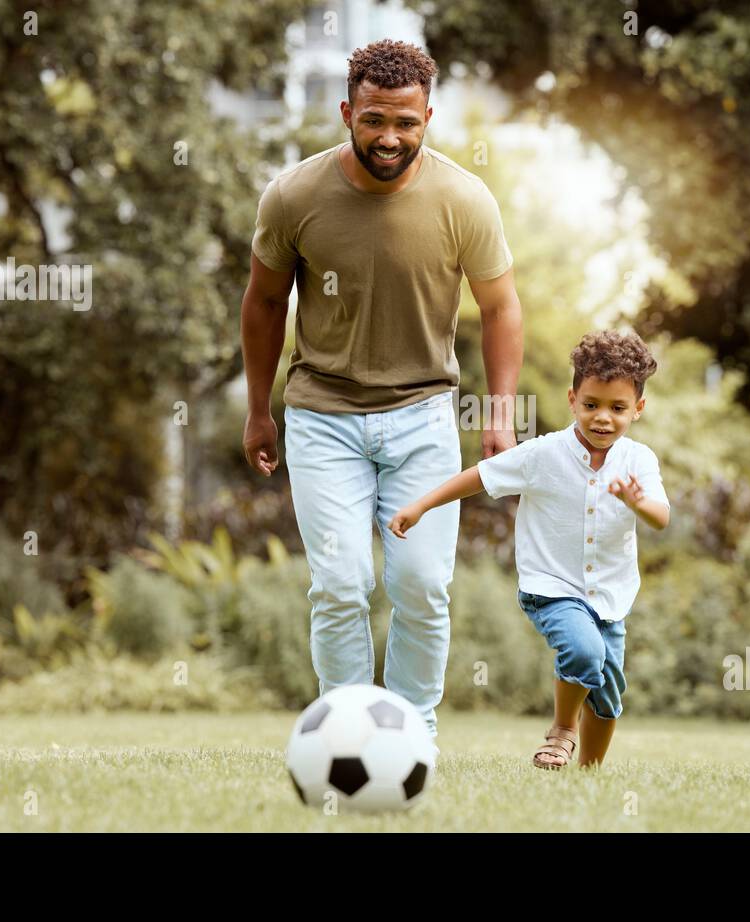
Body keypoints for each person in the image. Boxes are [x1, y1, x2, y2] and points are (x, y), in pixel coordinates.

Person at [238, 39, 523, 740]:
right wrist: (257, 410)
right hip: (321, 416)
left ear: (429, 115)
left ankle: (413, 734)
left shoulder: (464, 199)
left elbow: (501, 307)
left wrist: (500, 411)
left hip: (422, 418)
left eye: (405, 122)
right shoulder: (294, 196)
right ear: (346, 112)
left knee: (423, 587)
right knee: (339, 586)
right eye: (373, 121)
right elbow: (263, 302)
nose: (389, 138)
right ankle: (344, 729)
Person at [389, 330, 670, 768]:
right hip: (552, 587)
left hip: (611, 596)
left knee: (608, 691)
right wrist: (421, 505)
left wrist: (637, 502)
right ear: (572, 398)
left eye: (617, 408)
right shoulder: (543, 454)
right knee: (584, 652)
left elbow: (660, 517)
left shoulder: (640, 461)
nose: (602, 418)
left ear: (638, 408)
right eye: (591, 404)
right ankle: (562, 729)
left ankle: (588, 772)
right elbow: (481, 476)